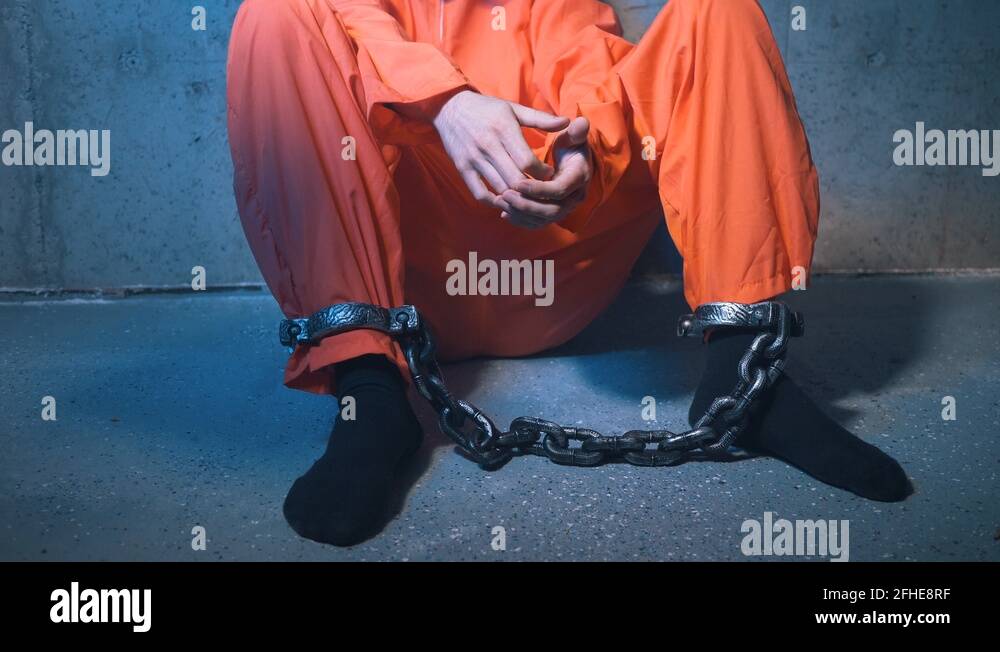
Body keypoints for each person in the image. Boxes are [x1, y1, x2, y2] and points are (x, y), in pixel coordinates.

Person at [226, 0, 911, 546]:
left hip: (551, 264)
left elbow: (587, 64)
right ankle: (366, 395)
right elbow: (352, 21)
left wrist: (584, 158)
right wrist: (445, 103)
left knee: (719, 9)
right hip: (406, 288)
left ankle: (746, 373)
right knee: (275, 11)